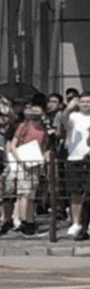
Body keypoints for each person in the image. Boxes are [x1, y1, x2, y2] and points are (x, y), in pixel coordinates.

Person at [9, 105, 49, 236]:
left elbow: (43, 147)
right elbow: (12, 145)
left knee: (32, 194)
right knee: (24, 193)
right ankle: (24, 221)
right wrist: (20, 161)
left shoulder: (43, 129)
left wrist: (43, 159)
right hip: (23, 162)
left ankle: (31, 221)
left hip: (36, 163)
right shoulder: (24, 126)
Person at [61, 91, 90, 239]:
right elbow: (64, 120)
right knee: (75, 193)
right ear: (79, 103)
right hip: (75, 158)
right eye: (83, 101)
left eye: (88, 101)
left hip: (89, 158)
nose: (86, 104)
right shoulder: (74, 116)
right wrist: (68, 108)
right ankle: (76, 222)